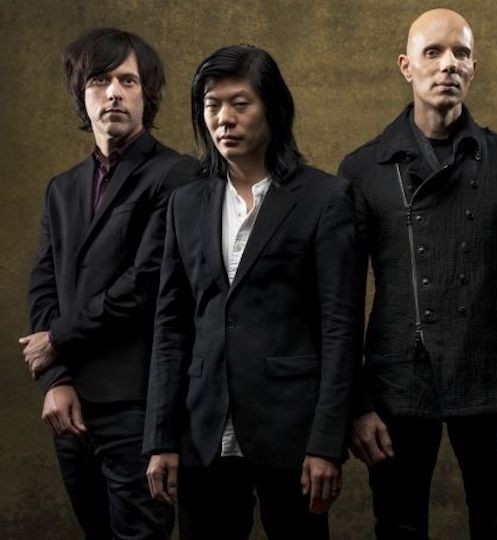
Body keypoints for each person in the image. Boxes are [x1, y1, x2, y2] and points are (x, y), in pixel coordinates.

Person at [338, 8, 497, 539]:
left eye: (461, 53)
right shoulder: (363, 168)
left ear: (474, 68)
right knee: (398, 527)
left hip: (491, 377)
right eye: (433, 52)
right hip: (397, 382)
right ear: (406, 66)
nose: (448, 64)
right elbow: (343, 302)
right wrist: (357, 405)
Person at [142, 45, 363, 540]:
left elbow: (340, 328)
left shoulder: (325, 198)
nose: (224, 119)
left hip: (292, 433)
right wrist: (160, 438)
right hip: (202, 432)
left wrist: (327, 442)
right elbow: (170, 327)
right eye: (212, 105)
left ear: (273, 109)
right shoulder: (184, 204)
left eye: (240, 104)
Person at [21, 27, 194, 540]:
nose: (113, 93)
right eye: (99, 81)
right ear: (81, 94)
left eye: (127, 80)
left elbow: (146, 283)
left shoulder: (177, 176)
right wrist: (56, 379)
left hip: (136, 407)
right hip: (68, 407)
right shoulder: (62, 189)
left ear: (148, 94)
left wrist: (57, 340)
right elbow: (44, 286)